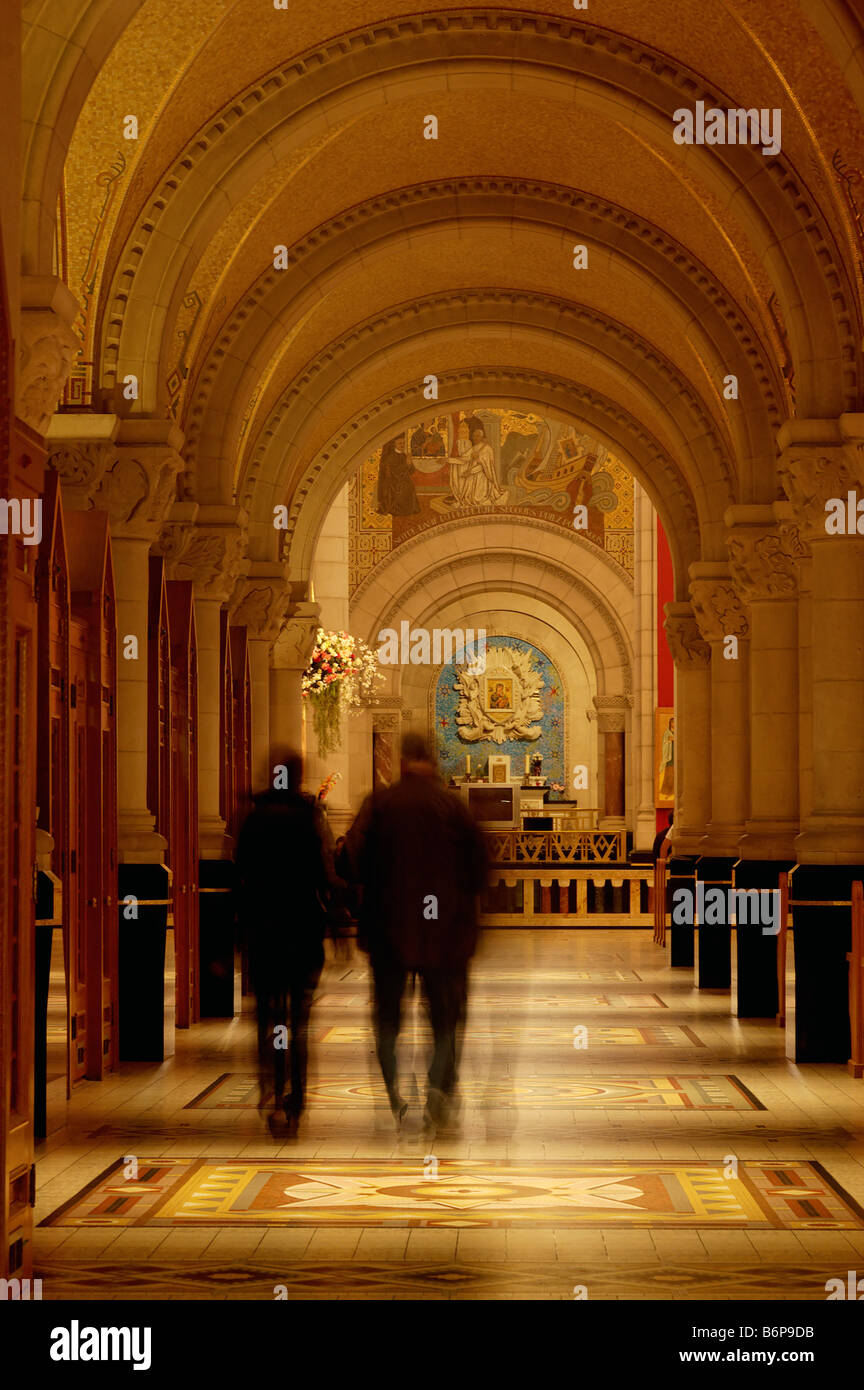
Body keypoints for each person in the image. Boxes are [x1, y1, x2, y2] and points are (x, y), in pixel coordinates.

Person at [342, 732, 488, 1133]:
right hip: (446, 936)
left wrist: (369, 896)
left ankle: (393, 1093)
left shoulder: (381, 805)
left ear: (402, 760)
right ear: (432, 761)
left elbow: (350, 861)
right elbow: (480, 868)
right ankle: (439, 1090)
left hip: (389, 931)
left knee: (388, 1017)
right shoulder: (452, 807)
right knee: (444, 1019)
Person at [235, 748, 331, 1136]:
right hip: (301, 931)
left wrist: (234, 939)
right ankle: (297, 1098)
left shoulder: (255, 819)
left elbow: (239, 878)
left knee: (270, 1019)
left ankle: (273, 1090)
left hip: (264, 932)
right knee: (299, 1019)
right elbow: (322, 874)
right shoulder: (309, 818)